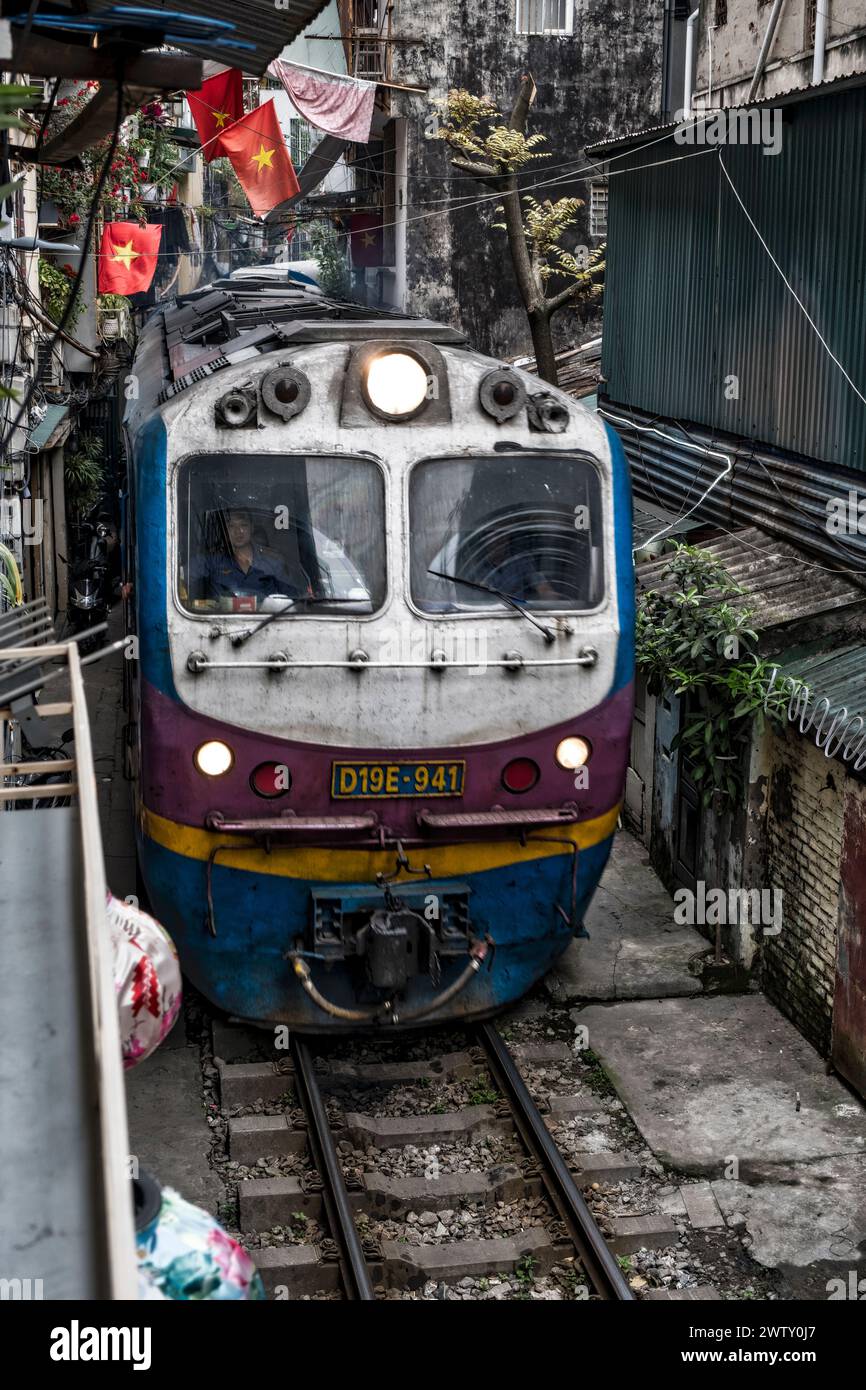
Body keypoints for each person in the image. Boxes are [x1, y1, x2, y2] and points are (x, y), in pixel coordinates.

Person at [196, 507, 305, 604]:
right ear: (224, 531)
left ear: (252, 528)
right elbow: (183, 575)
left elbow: (293, 599)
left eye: (243, 525)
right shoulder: (213, 561)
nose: (238, 531)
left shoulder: (272, 561)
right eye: (231, 526)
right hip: (220, 623)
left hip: (268, 621)